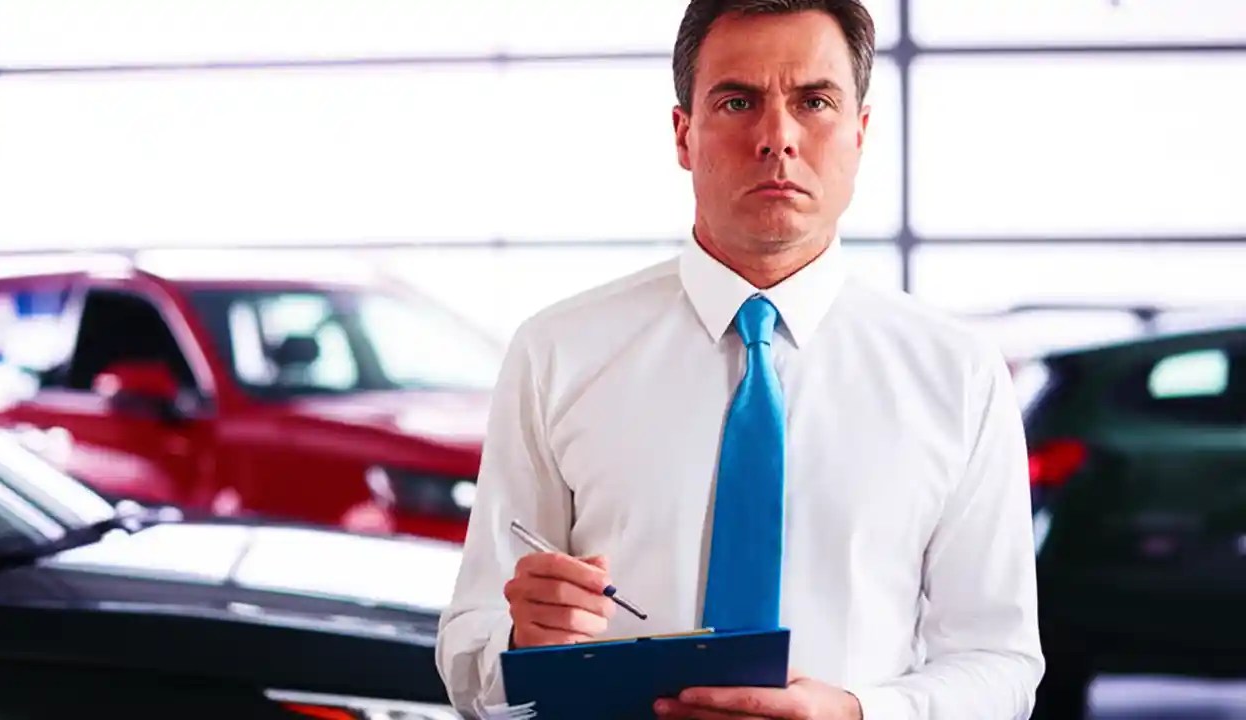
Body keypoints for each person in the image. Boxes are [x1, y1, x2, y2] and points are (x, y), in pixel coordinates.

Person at [436, 0, 1045, 717]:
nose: (778, 137)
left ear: (860, 132)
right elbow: (468, 653)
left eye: (814, 101)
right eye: (737, 101)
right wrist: (519, 639)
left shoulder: (960, 375)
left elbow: (1000, 665)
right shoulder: (556, 354)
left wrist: (855, 713)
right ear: (683, 134)